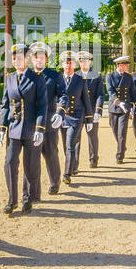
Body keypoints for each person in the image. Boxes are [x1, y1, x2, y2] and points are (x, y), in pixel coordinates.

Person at [0, 44, 43, 215]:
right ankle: (12, 200)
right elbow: (5, 105)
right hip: (14, 128)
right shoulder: (9, 78)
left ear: (27, 59)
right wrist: (2, 127)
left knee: (30, 165)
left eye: (19, 57)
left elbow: (42, 106)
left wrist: (40, 128)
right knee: (9, 163)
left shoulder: (36, 78)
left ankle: (28, 198)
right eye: (14, 57)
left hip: (31, 129)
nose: (16, 61)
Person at [28, 43, 65, 195]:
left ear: (46, 59)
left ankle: (55, 182)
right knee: (32, 157)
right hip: (31, 123)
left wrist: (60, 112)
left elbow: (63, 95)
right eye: (36, 57)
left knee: (51, 154)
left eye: (42, 57)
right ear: (32, 58)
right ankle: (34, 191)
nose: (39, 60)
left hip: (49, 122)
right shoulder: (26, 75)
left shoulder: (55, 75)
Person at [56, 51, 95, 183]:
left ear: (74, 65)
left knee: (71, 144)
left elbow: (86, 100)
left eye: (70, 63)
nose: (68, 66)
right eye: (66, 63)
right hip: (62, 117)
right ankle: (71, 167)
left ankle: (66, 174)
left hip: (76, 116)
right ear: (62, 65)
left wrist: (89, 119)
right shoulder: (58, 79)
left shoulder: (80, 80)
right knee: (64, 146)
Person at [106, 56, 134, 164]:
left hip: (124, 108)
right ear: (120, 65)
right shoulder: (110, 76)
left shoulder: (128, 77)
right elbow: (110, 91)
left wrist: (132, 106)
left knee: (122, 132)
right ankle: (122, 146)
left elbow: (132, 92)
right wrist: (118, 102)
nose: (128, 66)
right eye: (126, 65)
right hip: (114, 107)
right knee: (114, 130)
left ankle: (120, 155)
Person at [78, 51, 103, 168]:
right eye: (81, 60)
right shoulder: (75, 75)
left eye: (86, 60)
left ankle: (93, 159)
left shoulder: (96, 76)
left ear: (90, 62)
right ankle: (74, 164)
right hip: (77, 112)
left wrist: (98, 110)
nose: (83, 62)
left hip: (91, 111)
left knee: (92, 136)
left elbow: (100, 95)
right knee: (75, 138)